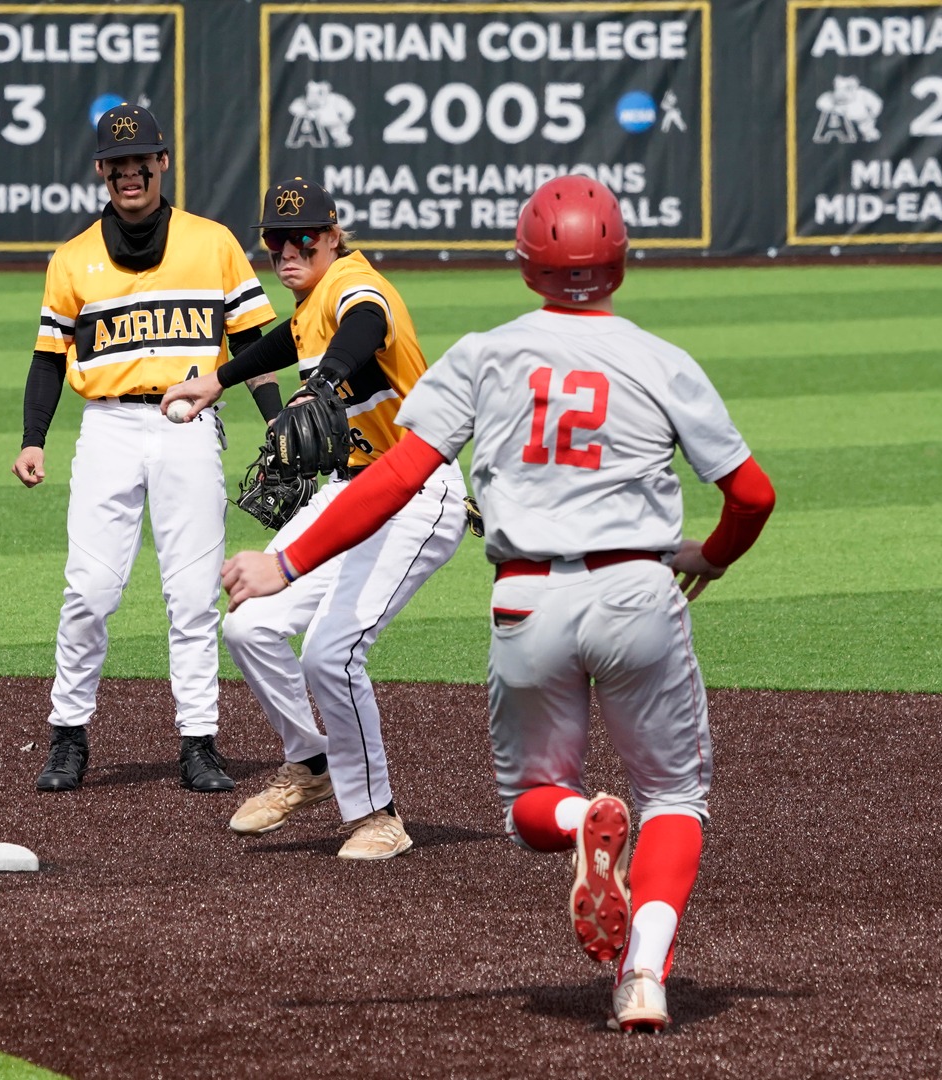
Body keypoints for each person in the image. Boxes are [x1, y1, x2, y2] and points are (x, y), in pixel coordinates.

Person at [218, 176, 776, 1029]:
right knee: (673, 797)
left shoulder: (484, 352)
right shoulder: (662, 359)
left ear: (525, 268)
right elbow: (753, 494)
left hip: (527, 601)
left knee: (532, 806)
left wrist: (287, 563)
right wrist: (714, 555)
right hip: (638, 592)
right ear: (621, 262)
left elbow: (398, 477)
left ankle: (580, 816)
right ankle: (645, 978)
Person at [161, 178, 467, 860]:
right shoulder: (311, 302)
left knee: (333, 652)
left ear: (333, 236)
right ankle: (313, 763)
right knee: (249, 623)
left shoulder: (359, 285)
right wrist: (218, 378)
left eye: (302, 237)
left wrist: (323, 382)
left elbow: (364, 327)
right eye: (275, 239)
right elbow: (288, 337)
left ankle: (379, 815)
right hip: (352, 490)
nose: (286, 250)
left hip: (417, 491)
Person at [14, 104, 280, 794]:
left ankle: (199, 742)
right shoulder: (72, 259)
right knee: (89, 592)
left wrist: (276, 420)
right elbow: (48, 358)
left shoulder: (213, 243)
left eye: (143, 162)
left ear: (162, 163)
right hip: (106, 428)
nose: (131, 175)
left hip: (188, 425)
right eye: (118, 165)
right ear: (101, 171)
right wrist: (32, 439)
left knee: (192, 596)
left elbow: (253, 342)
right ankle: (68, 737)